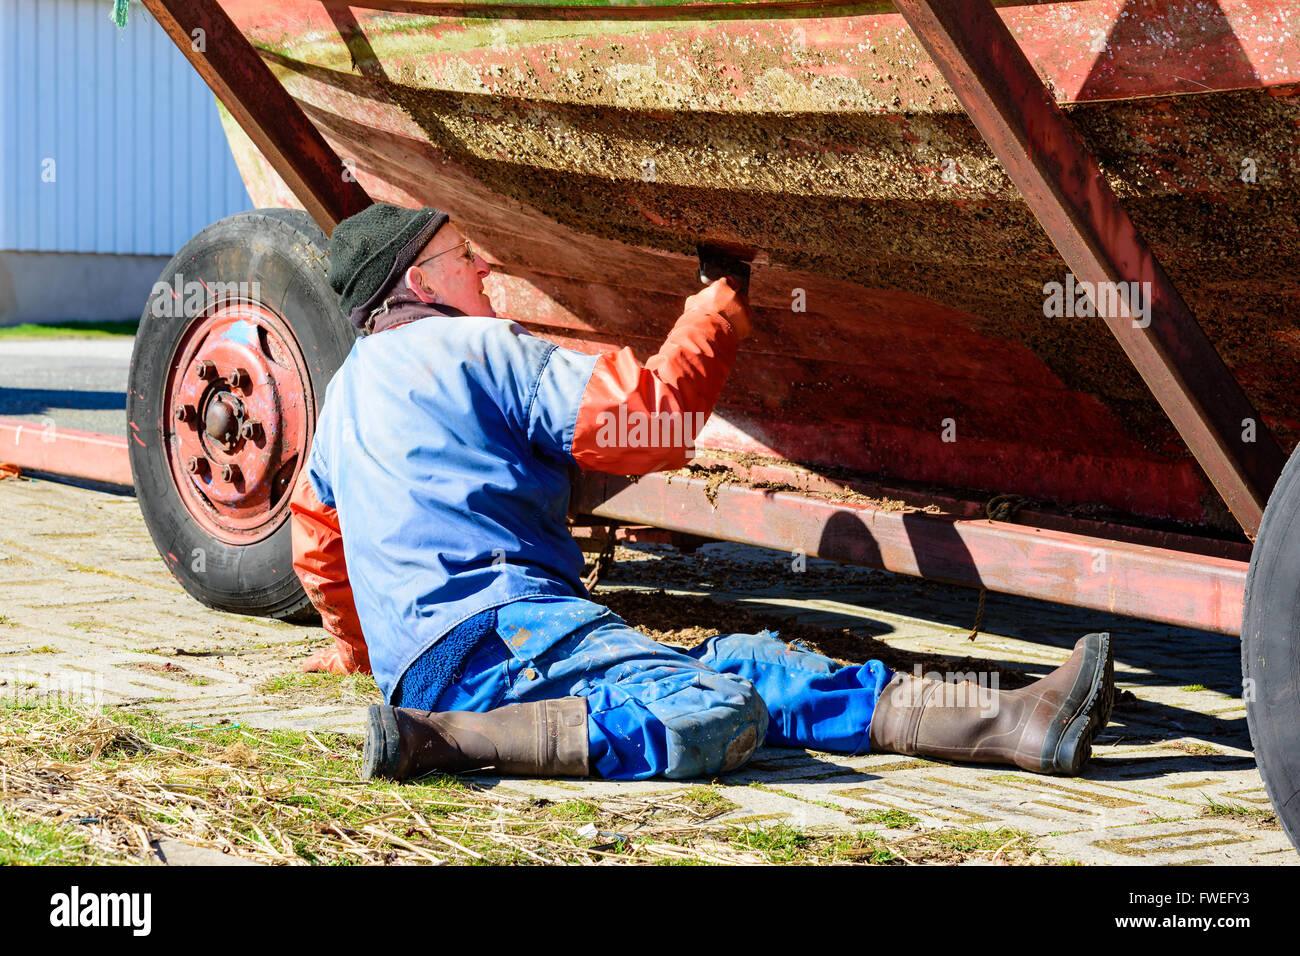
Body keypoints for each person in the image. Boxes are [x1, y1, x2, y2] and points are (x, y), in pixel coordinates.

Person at [290, 203, 1114, 783]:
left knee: (750, 664)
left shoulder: (344, 398)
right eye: (466, 256)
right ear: (420, 283)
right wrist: (717, 311)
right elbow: (647, 426)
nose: (486, 268)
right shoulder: (480, 349)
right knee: (715, 709)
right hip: (508, 635)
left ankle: (1011, 723)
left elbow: (319, 549)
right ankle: (453, 746)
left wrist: (361, 652)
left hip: (438, 667)